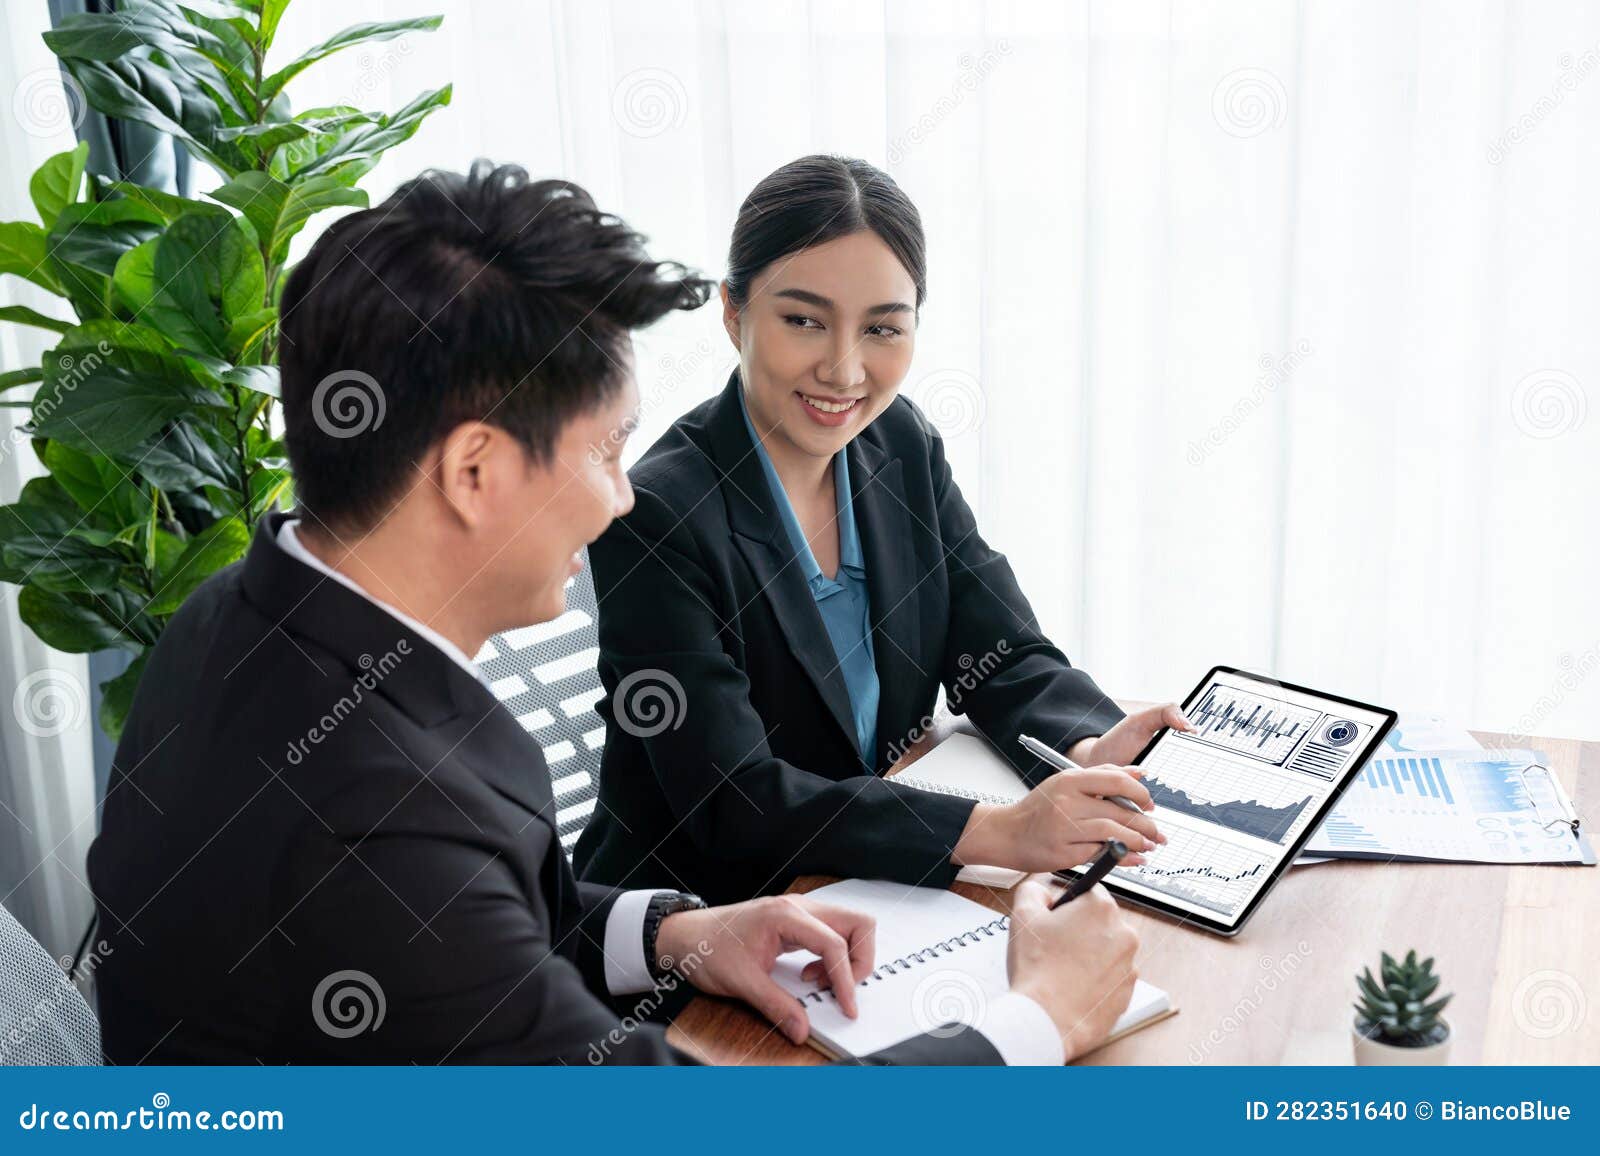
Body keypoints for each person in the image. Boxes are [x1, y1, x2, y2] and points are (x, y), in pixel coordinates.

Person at [85, 161, 1139, 1066]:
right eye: (602, 449)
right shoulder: (377, 825)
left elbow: (504, 906)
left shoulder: (247, 607)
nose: (620, 495)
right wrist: (1033, 1020)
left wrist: (681, 932)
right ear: (475, 470)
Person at [578, 154, 1193, 906]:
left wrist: (1085, 750)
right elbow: (735, 802)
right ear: (734, 312)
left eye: (882, 329)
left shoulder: (897, 443)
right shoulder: (658, 518)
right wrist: (999, 832)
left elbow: (997, 649)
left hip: (872, 884)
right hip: (704, 922)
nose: (844, 370)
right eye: (803, 320)